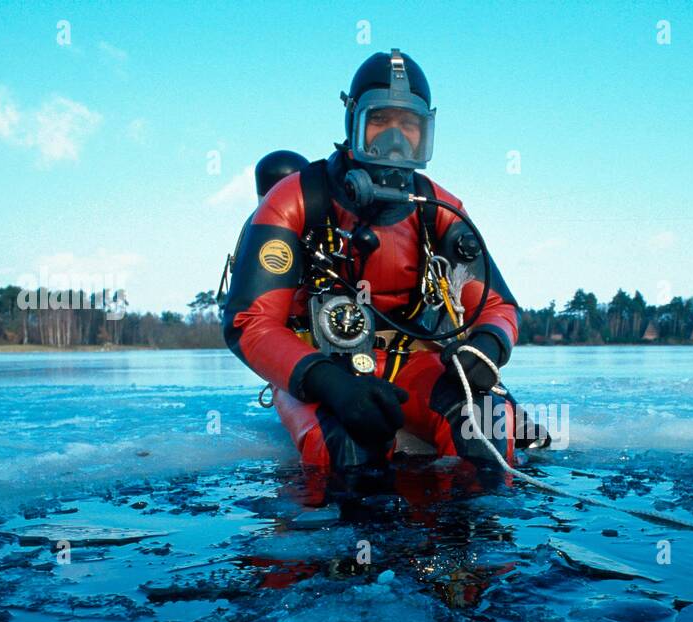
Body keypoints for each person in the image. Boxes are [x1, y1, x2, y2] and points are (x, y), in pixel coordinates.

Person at [222, 48, 523, 470]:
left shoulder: (438, 207)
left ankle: (469, 534)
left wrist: (486, 347)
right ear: (354, 122)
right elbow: (250, 321)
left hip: (413, 365)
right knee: (343, 449)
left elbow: (496, 306)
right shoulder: (297, 199)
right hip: (321, 367)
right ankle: (344, 533)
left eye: (409, 126)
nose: (394, 140)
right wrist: (331, 385)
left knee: (486, 426)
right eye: (380, 121)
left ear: (426, 133)